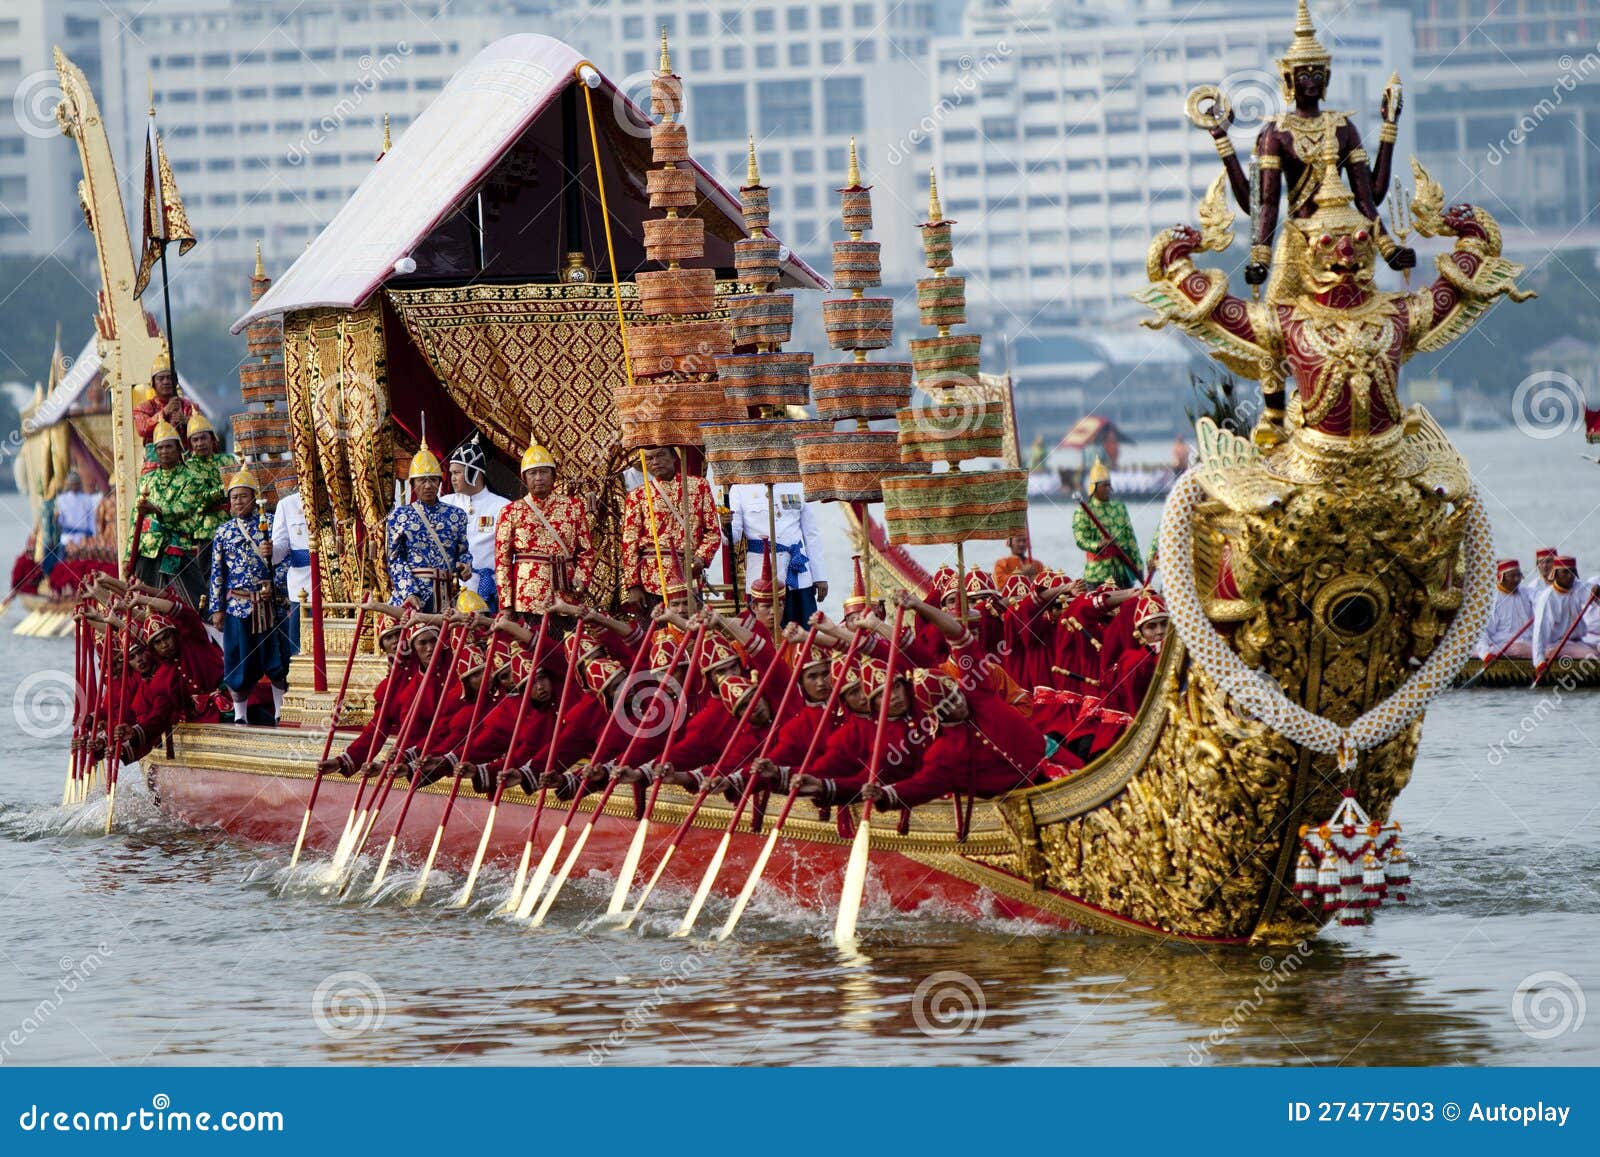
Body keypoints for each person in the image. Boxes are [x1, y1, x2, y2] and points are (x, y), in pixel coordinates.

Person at [208, 469, 292, 723]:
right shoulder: (223, 532)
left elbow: (285, 559)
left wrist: (275, 588)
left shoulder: (271, 522)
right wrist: (217, 608)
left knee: (276, 657)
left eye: (243, 496)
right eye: (234, 497)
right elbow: (217, 572)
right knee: (237, 658)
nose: (238, 502)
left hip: (268, 605)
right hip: (237, 605)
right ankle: (240, 715)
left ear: (254, 498)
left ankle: (280, 711)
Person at [494, 440, 595, 617]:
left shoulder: (573, 506)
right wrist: (506, 604)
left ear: (554, 476)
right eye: (532, 473)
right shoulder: (510, 511)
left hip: (566, 590)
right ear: (524, 478)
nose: (538, 477)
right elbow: (502, 560)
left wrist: (581, 579)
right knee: (531, 642)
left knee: (566, 642)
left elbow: (586, 551)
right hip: (527, 595)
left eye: (543, 472)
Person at [620, 445, 720, 609]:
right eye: (649, 459)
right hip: (651, 579)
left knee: (690, 630)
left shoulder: (699, 486)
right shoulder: (637, 495)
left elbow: (713, 531)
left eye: (660, 455)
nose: (655, 462)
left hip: (688, 573)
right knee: (655, 633)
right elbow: (630, 542)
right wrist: (633, 585)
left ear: (674, 456)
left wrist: (701, 557)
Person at [726, 480, 828, 625]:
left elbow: (811, 535)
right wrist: (725, 525)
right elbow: (732, 537)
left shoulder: (798, 484)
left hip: (797, 572)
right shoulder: (740, 489)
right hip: (761, 575)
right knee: (762, 632)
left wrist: (820, 576)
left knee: (804, 629)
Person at [130, 420, 209, 606]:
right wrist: (128, 556)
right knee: (143, 603)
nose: (164, 451)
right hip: (147, 550)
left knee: (191, 602)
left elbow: (185, 508)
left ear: (179, 449)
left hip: (178, 547)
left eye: (168, 447)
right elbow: (136, 520)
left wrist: (156, 510)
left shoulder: (192, 478)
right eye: (160, 448)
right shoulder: (147, 479)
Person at [387, 444, 471, 612]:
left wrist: (466, 565)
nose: (427, 486)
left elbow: (463, 551)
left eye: (433, 479)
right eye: (422, 480)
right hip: (414, 596)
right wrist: (409, 591)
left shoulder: (457, 515)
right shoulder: (400, 516)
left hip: (447, 596)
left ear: (440, 482)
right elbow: (395, 558)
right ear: (412, 483)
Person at [442, 432, 510, 612]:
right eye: (451, 473)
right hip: (451, 588)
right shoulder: (445, 504)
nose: (452, 478)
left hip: (487, 589)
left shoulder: (502, 507)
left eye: (457, 472)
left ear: (474, 472)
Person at [1072, 461, 1142, 587]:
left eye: (1110, 485)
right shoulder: (1083, 511)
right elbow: (1080, 539)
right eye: (1105, 485)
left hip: (1122, 572)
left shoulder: (1119, 508)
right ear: (1094, 487)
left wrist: (1138, 565)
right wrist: (1098, 545)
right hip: (1097, 575)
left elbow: (1130, 539)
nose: (1109, 489)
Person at [131, 347, 199, 467]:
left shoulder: (190, 407)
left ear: (176, 381)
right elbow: (142, 429)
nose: (166, 382)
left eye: (169, 378)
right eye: (161, 379)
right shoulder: (143, 408)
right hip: (155, 466)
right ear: (153, 383)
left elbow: (203, 432)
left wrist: (187, 421)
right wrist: (165, 411)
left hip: (186, 464)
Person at [1530, 555, 1599, 665]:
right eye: (1565, 573)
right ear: (1555, 574)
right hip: (1555, 645)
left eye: (1572, 572)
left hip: (1578, 642)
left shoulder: (1577, 587)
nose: (1570, 576)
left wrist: (1596, 591)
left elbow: (1590, 590)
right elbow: (1539, 632)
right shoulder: (1547, 599)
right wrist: (1539, 662)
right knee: (1595, 656)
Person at [270, 486, 313, 652]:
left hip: (339, 584)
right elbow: (279, 551)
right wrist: (270, 550)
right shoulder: (287, 504)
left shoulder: (340, 499)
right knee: (302, 647)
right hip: (304, 587)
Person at [1474, 559, 1534, 661]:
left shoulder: (1527, 593)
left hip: (1528, 643)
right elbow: (1481, 631)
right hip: (1502, 645)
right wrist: (1485, 653)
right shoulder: (1491, 599)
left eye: (1518, 575)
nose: (1516, 579)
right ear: (1501, 577)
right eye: (1512, 576)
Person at [54, 471, 102, 553]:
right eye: (72, 483)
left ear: (79, 484)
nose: (74, 485)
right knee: (62, 563)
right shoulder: (61, 499)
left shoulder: (87, 498)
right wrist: (56, 518)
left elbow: (90, 519)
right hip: (67, 538)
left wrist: (93, 535)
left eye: (76, 483)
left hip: (82, 537)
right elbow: (60, 520)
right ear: (68, 484)